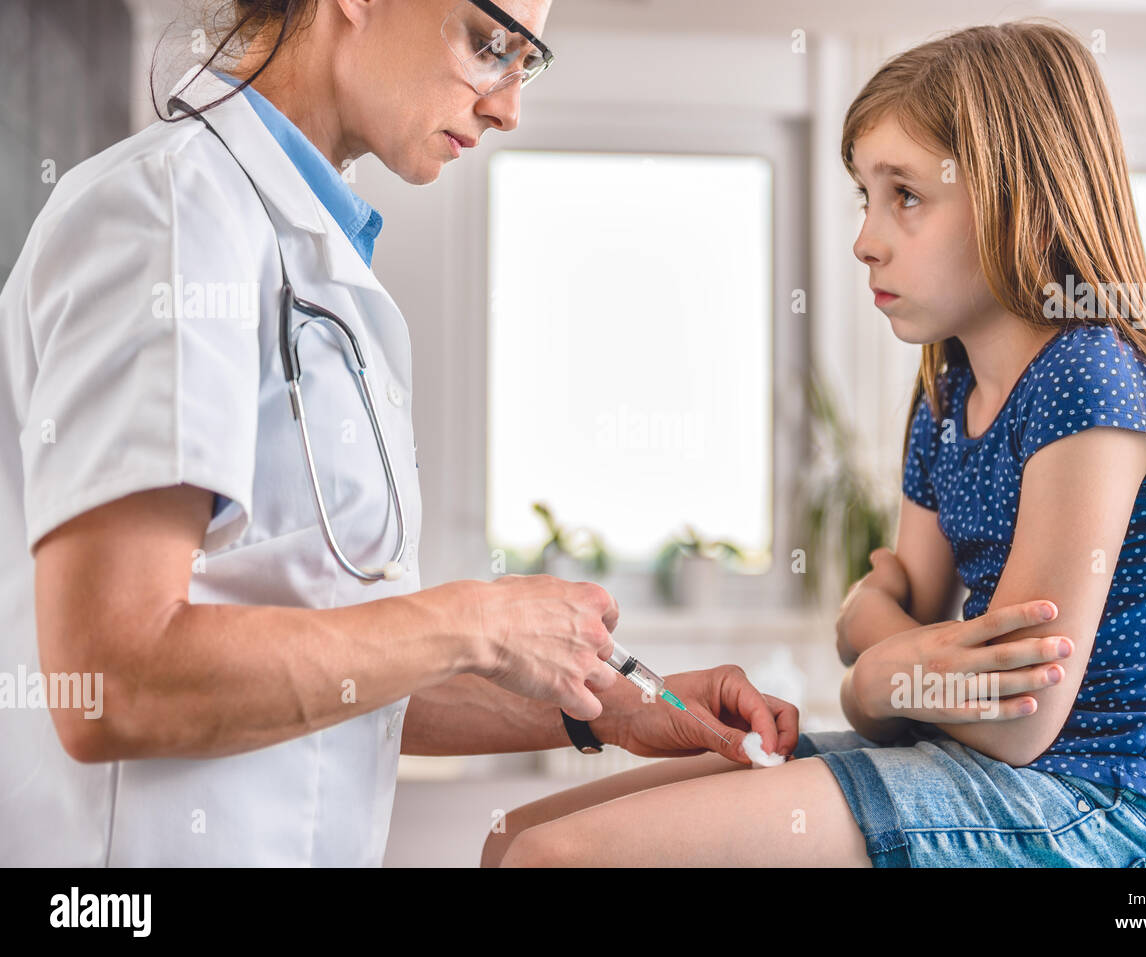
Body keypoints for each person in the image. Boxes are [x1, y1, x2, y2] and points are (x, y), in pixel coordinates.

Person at [0, 0, 808, 867]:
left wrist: (605, 707)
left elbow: (348, 670)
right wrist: (477, 620)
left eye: (525, 63)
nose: (507, 105)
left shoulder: (322, 268)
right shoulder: (169, 213)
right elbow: (115, 681)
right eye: (488, 43)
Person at [484, 20, 1146, 868]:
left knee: (553, 860)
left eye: (906, 195)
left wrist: (872, 664)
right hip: (979, 767)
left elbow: (1017, 715)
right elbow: (909, 654)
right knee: (515, 839)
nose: (866, 238)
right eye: (866, 195)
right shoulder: (947, 392)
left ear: (1021, 197)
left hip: (1100, 809)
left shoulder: (1089, 378)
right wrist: (890, 652)